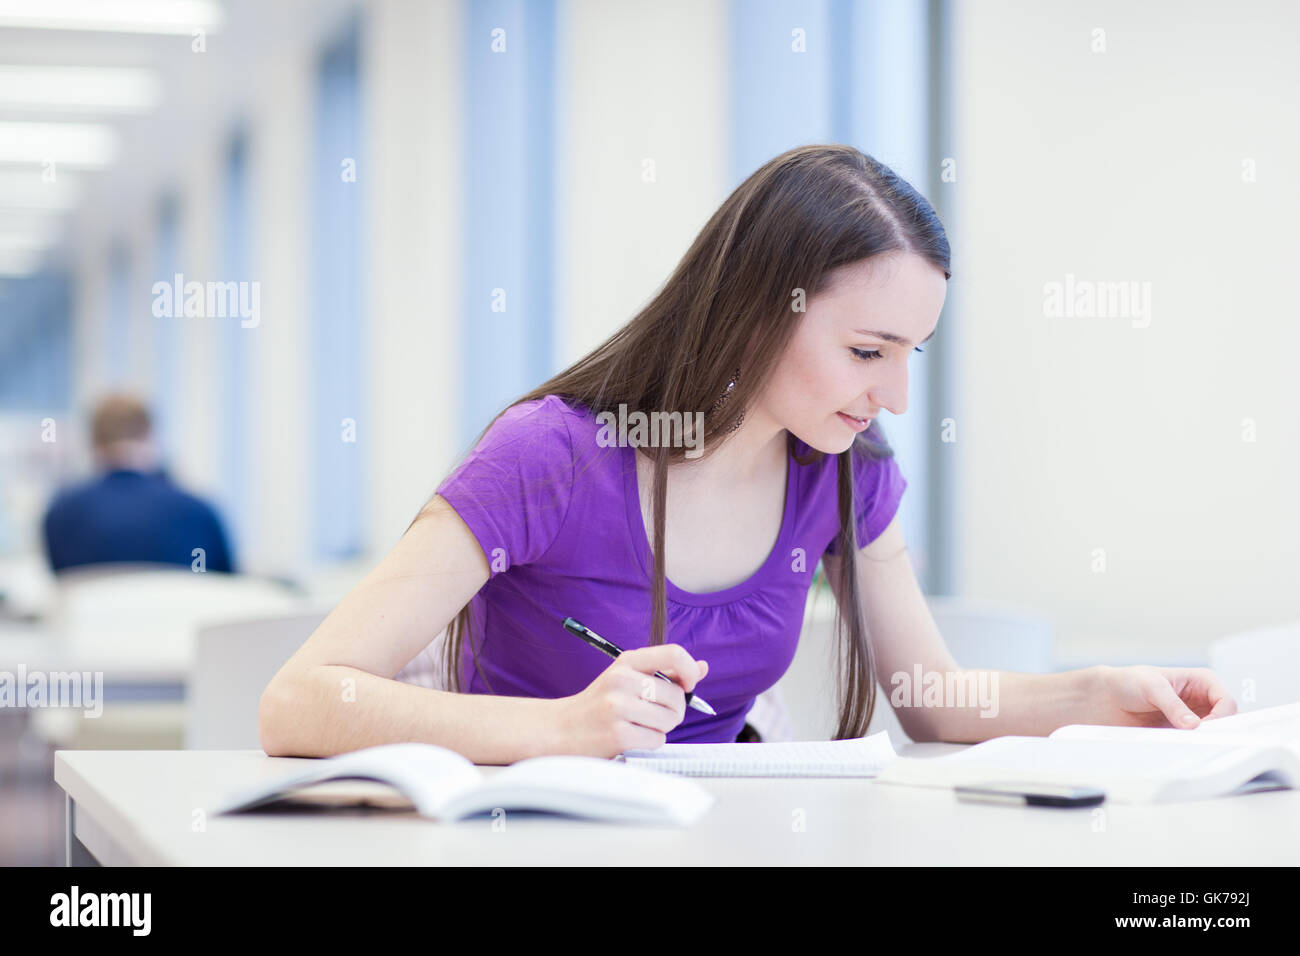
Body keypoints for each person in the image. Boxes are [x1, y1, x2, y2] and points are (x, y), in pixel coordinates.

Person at [260, 144, 1236, 763]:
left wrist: (1091, 693)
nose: (893, 396)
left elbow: (933, 702)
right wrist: (558, 729)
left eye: (910, 356)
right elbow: (301, 700)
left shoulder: (846, 473)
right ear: (758, 311)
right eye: (865, 352)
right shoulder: (549, 456)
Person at [42, 393, 234, 574]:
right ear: (148, 434)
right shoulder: (199, 514)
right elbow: (224, 588)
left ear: (93, 440)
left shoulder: (60, 515)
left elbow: (62, 581)